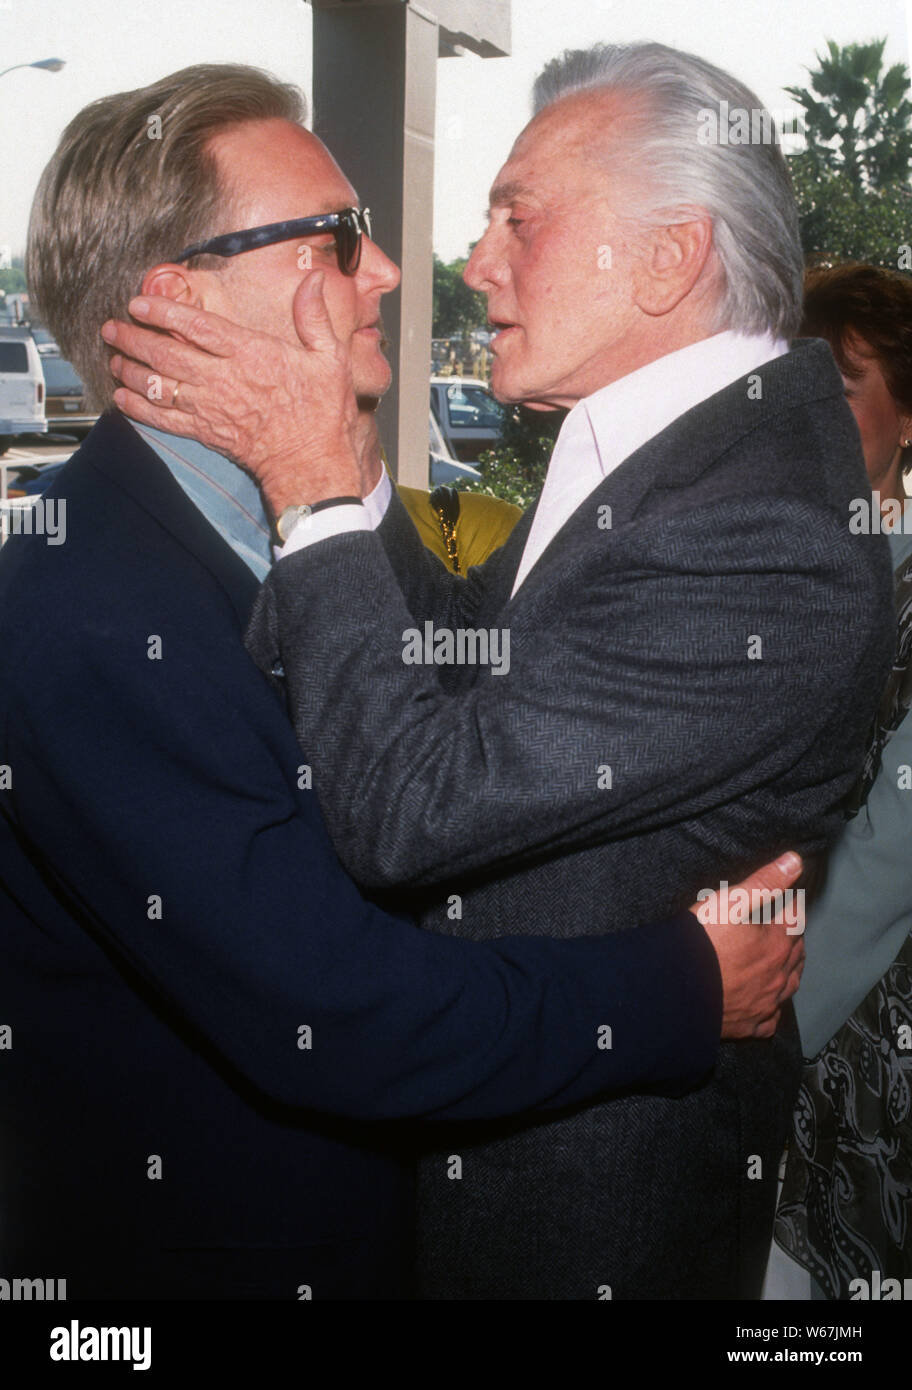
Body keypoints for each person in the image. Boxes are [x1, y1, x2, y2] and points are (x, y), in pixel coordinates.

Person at [0, 63, 802, 1303]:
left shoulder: (264, 530)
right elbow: (339, 1012)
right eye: (332, 238)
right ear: (172, 307)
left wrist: (326, 474)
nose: (384, 272)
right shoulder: (80, 607)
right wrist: (686, 985)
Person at [772, 263, 912, 1298]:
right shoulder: (764, 567)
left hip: (844, 1050)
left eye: (844, 385)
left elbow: (881, 866)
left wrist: (754, 1033)